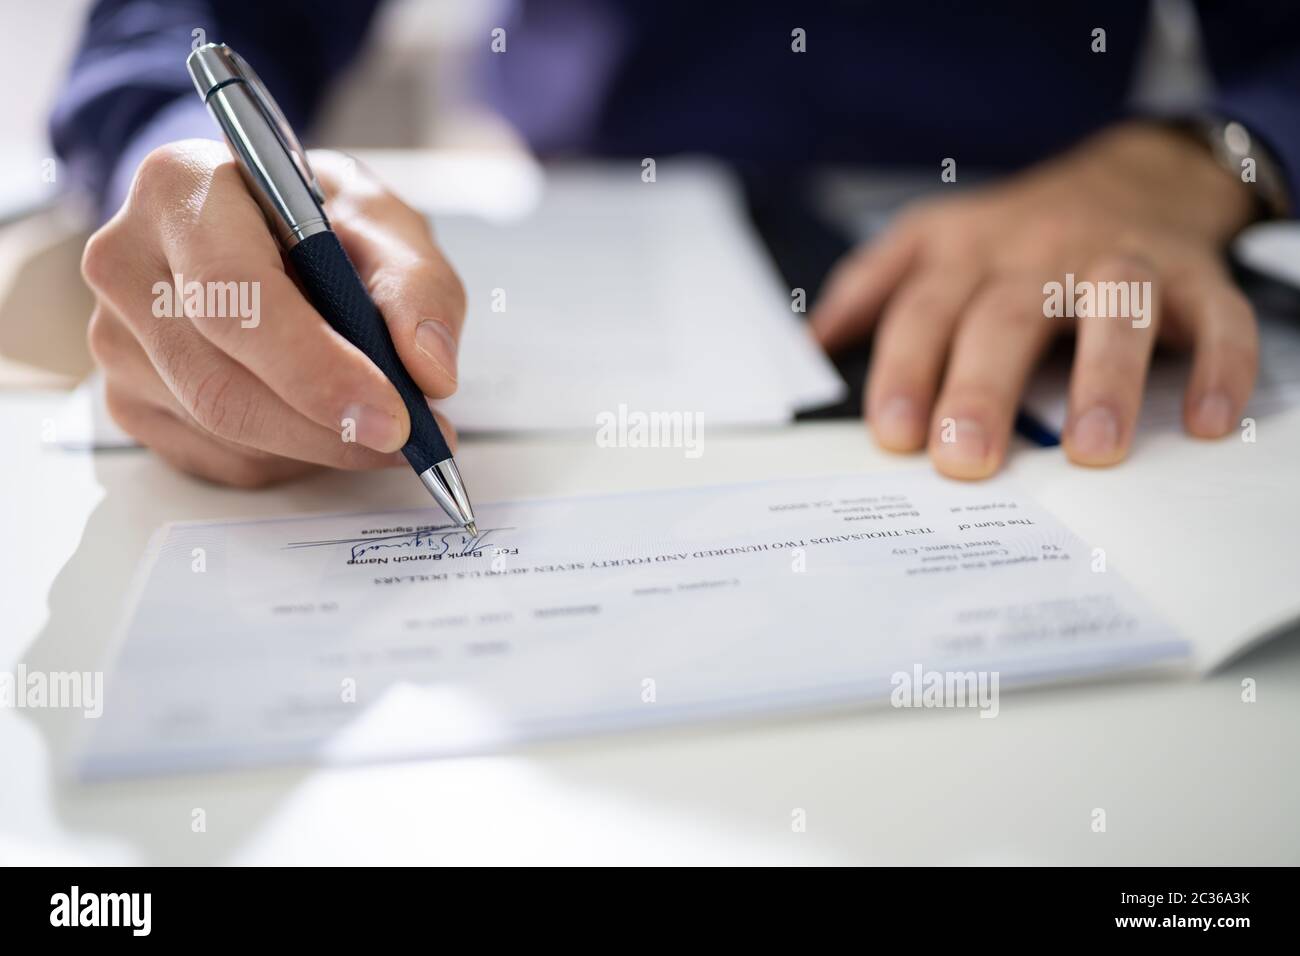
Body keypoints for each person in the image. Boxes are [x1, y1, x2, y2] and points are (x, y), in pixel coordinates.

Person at [52, 1, 1300, 486]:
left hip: (1050, 254)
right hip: (582, 227)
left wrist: (1211, 157)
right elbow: (191, 21)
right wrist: (182, 158)